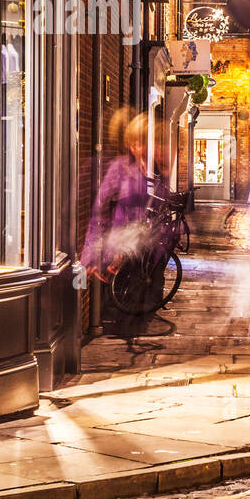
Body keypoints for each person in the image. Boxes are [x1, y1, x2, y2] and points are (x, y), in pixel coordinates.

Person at [81, 108, 163, 350]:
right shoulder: (119, 167)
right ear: (131, 143)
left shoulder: (142, 168)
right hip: (119, 242)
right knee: (117, 296)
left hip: (134, 243)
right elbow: (100, 206)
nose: (146, 147)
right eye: (141, 142)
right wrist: (95, 253)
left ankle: (128, 336)